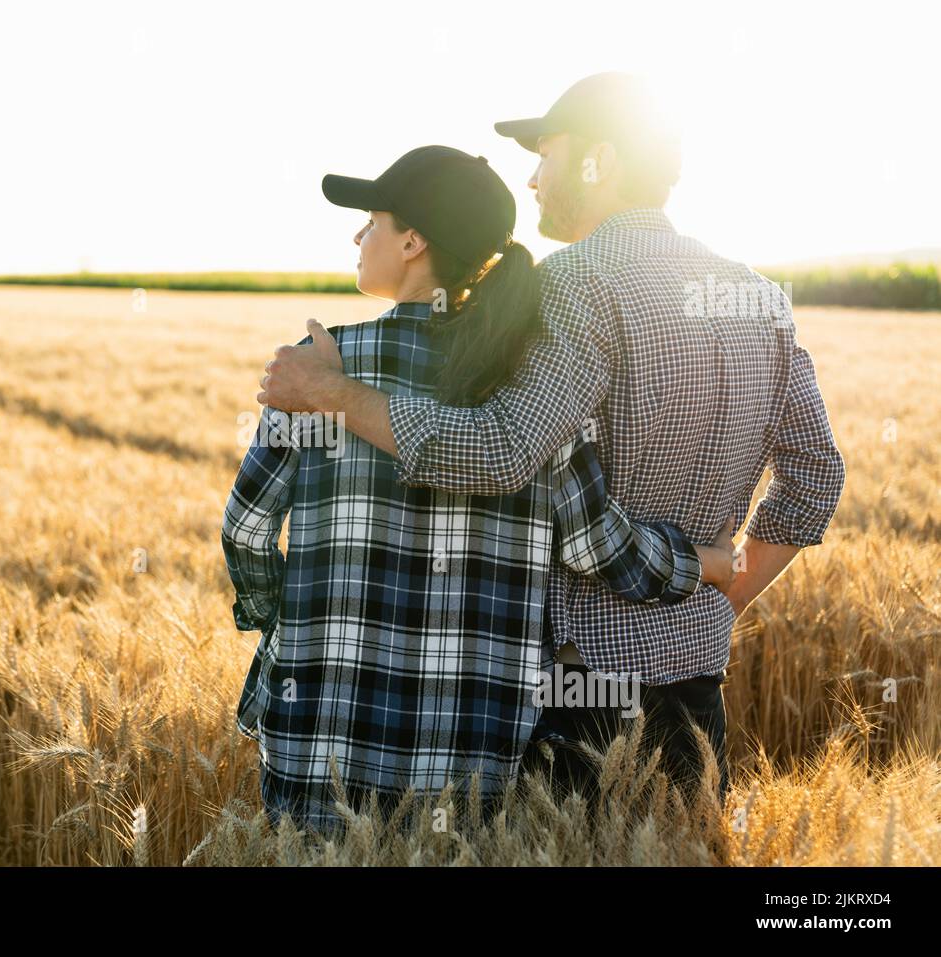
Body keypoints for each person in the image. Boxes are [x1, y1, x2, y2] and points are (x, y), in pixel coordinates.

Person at [256, 75, 846, 805]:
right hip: (696, 699)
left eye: (548, 153)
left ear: (599, 159)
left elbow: (503, 450)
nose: (533, 177)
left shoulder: (573, 283)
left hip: (576, 702)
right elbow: (816, 478)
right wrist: (721, 596)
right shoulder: (757, 295)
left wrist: (332, 394)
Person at [223, 144, 737, 835]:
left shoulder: (315, 371)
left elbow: (247, 530)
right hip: (469, 776)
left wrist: (281, 622)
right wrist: (697, 562)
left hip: (320, 749)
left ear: (412, 240)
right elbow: (595, 545)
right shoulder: (532, 385)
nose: (356, 236)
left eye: (370, 220)